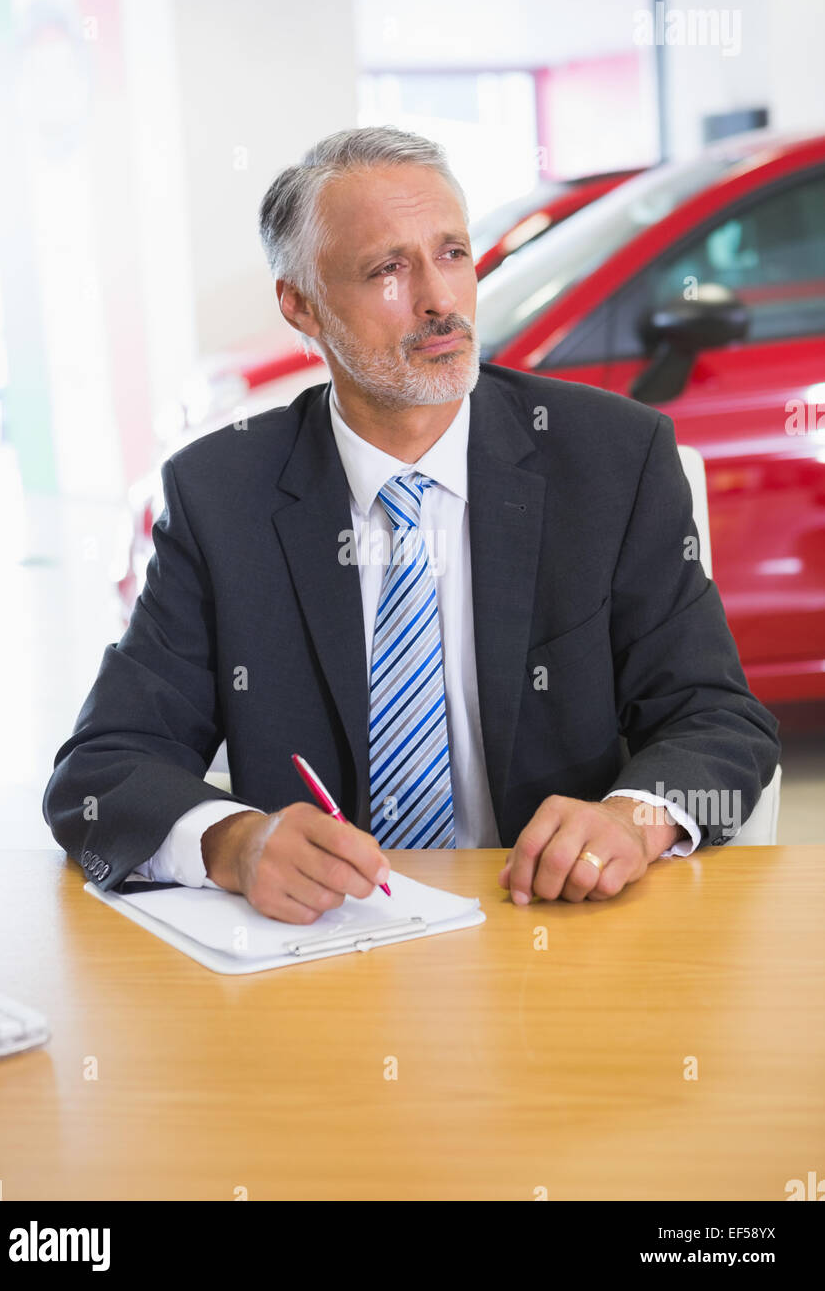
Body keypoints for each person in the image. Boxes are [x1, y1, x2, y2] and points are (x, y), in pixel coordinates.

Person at [43, 125, 781, 923]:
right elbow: (102, 769)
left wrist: (631, 820)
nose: (439, 300)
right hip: (326, 949)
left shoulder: (611, 458)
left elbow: (718, 719)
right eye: (387, 269)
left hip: (551, 929)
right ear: (301, 304)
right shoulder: (222, 495)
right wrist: (234, 844)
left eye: (453, 254)